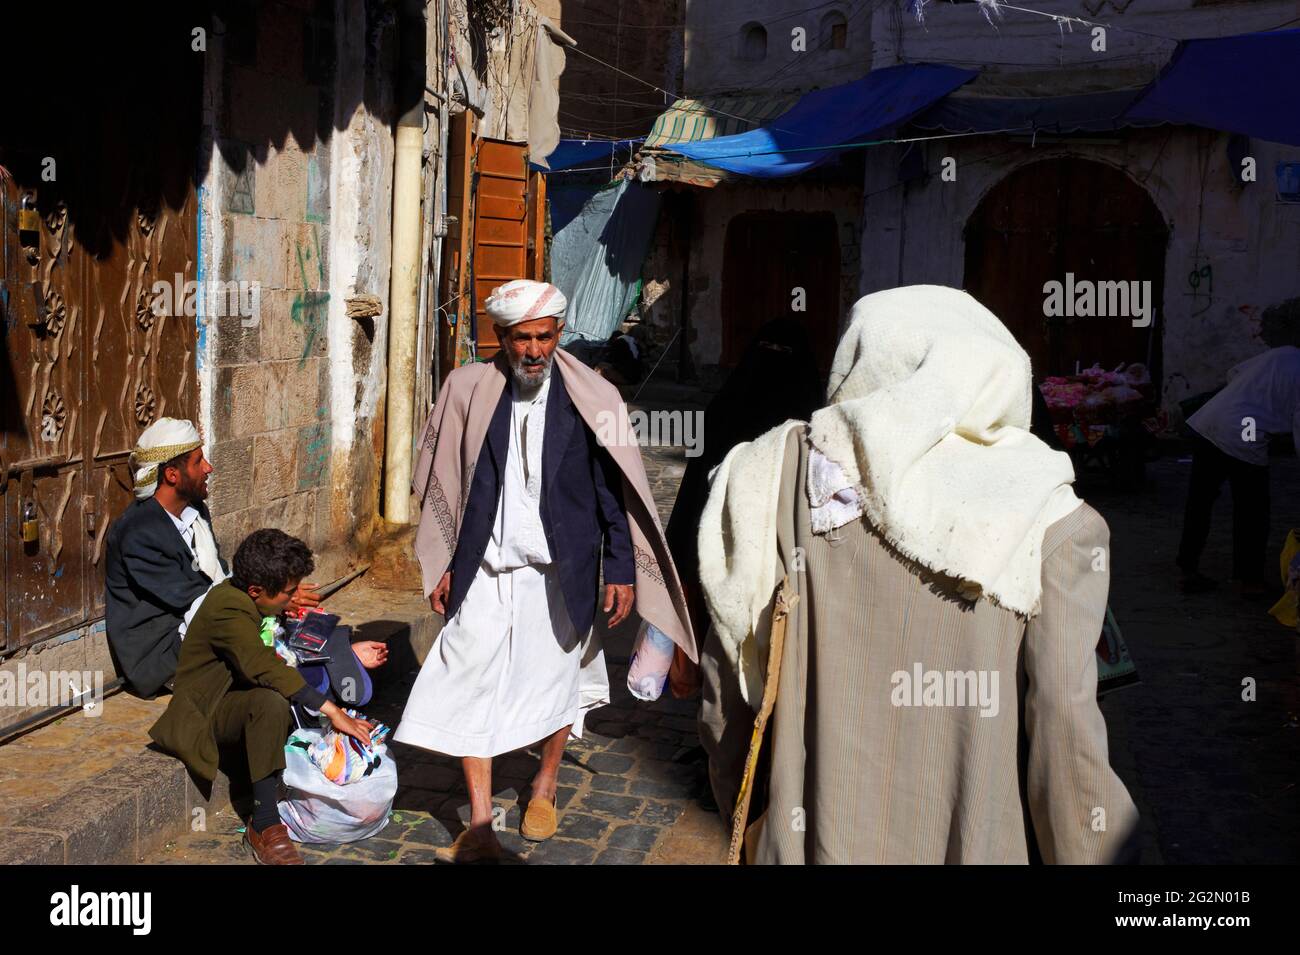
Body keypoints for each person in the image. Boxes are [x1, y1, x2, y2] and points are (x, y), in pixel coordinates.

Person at [697, 285, 1139, 864]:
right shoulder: (1054, 516)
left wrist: (748, 813)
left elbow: (727, 694)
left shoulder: (771, 475)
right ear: (995, 370)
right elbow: (1066, 737)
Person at [396, 279, 695, 863]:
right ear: (501, 337)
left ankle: (545, 784)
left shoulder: (594, 398)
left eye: (545, 337)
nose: (534, 350)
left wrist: (622, 568)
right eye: (522, 338)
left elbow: (615, 489)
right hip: (484, 564)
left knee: (558, 677)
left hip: (563, 568)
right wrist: (445, 562)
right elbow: (446, 483)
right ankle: (480, 821)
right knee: (465, 674)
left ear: (559, 334)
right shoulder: (468, 389)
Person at [104, 417, 387, 698]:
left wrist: (276, 596)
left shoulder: (195, 512)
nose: (208, 468)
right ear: (172, 475)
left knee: (269, 605)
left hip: (203, 617)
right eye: (198, 462)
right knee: (250, 615)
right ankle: (327, 662)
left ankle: (330, 652)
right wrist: (273, 596)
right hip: (163, 653)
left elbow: (221, 581)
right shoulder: (137, 532)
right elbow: (202, 601)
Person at [149, 529, 375, 865]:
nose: (294, 596)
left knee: (287, 693)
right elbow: (261, 665)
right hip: (207, 712)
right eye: (288, 592)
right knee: (270, 700)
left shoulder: (252, 599)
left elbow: (279, 646)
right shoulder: (227, 609)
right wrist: (332, 712)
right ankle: (265, 824)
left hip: (240, 699)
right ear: (256, 590)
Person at [663, 317, 822, 698]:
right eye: (768, 355)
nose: (774, 372)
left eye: (783, 358)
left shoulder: (812, 435)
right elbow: (691, 503)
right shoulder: (803, 425)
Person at [1177, 345, 1300, 597]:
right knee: (1252, 510)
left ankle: (1187, 568)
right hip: (1243, 430)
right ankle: (1250, 580)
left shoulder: (1284, 353)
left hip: (1210, 419)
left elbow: (1233, 373)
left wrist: (1252, 396)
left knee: (1200, 502)